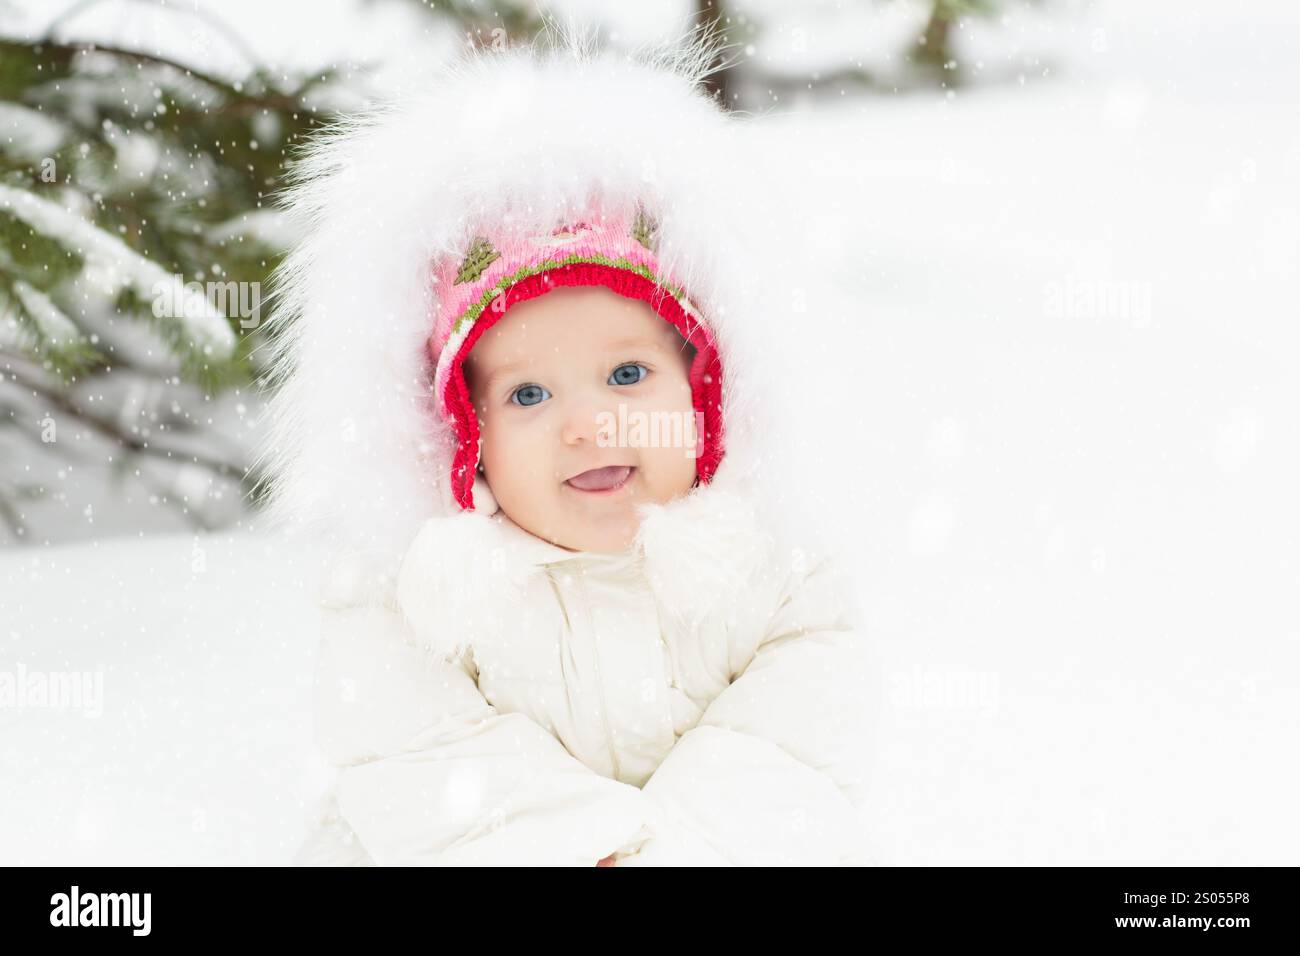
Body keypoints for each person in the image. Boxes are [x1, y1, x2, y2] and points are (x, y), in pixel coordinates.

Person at [257, 21, 875, 866]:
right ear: (465, 435)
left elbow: (795, 736)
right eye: (530, 394)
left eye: (627, 376)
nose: (589, 426)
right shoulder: (417, 589)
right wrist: (588, 850)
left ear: (705, 395)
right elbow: (413, 752)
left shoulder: (772, 564)